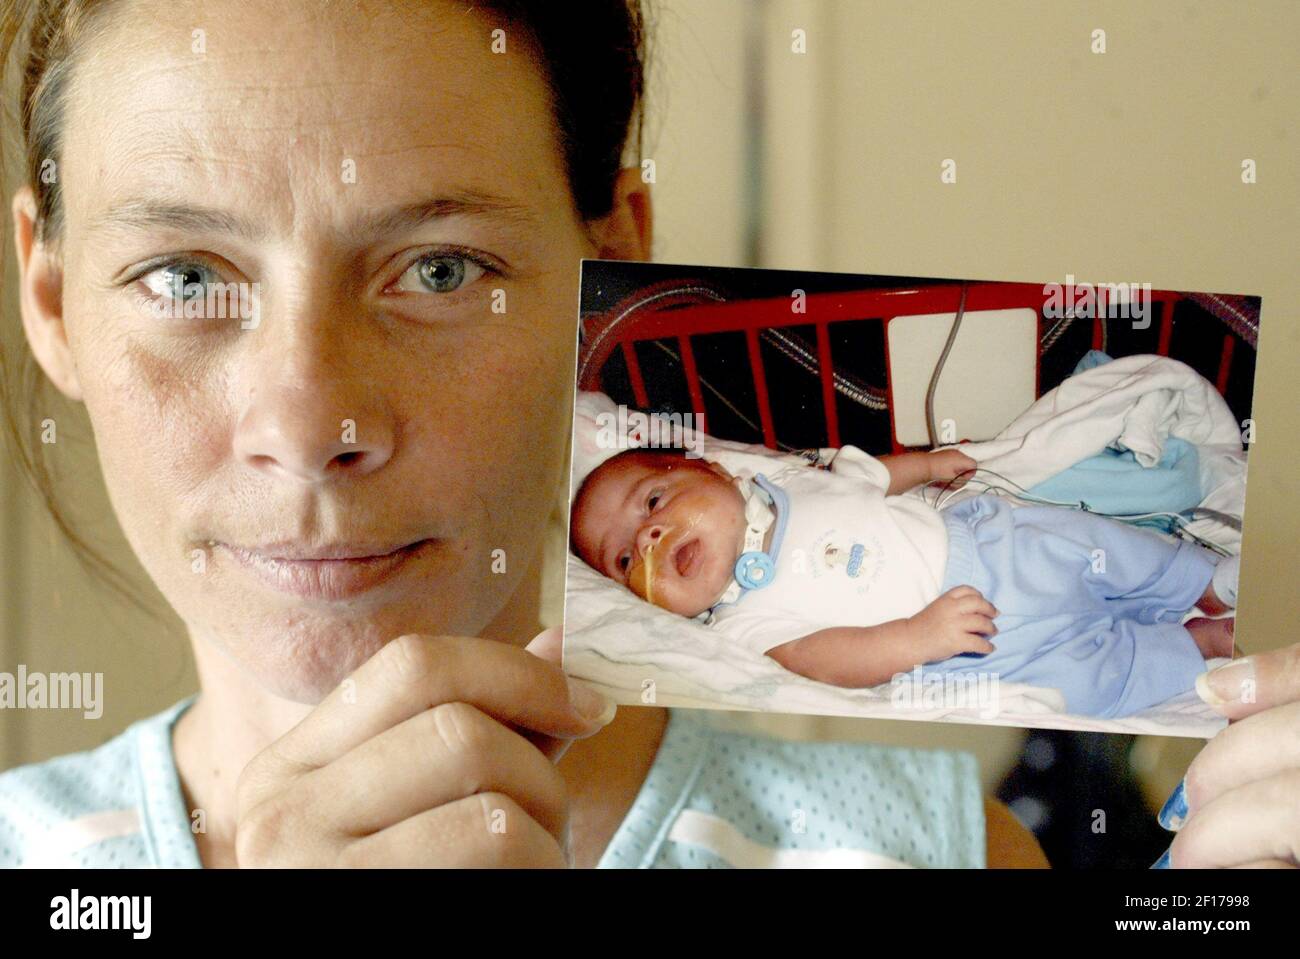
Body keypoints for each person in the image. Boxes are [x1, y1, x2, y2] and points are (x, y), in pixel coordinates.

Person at [0, 0, 1290, 871]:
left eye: (441, 270)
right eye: (181, 277)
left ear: (604, 266)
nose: (306, 425)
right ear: (50, 302)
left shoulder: (935, 849)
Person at [569, 444, 1238, 718]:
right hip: (976, 647)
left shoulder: (790, 481)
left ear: (713, 471)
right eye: (624, 561)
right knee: (1086, 686)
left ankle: (1196, 579)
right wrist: (916, 637)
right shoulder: (741, 626)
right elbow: (825, 659)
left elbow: (870, 476)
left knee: (1090, 543)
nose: (647, 540)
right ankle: (1195, 646)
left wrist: (926, 464)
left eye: (652, 502)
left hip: (990, 548)